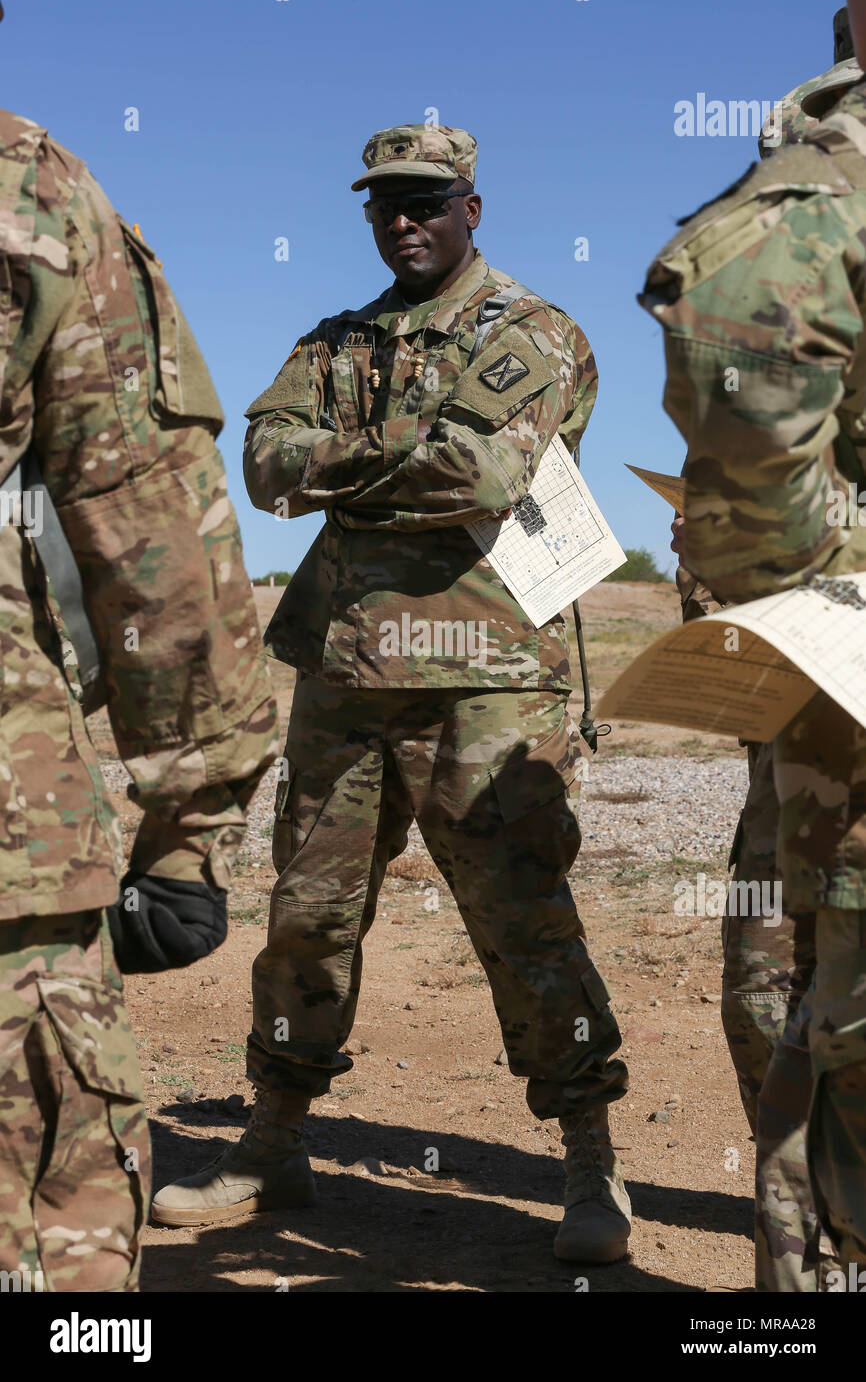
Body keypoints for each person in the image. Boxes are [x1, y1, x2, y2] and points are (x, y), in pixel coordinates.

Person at [153, 122, 631, 1263]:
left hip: (488, 685)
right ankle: (272, 1144)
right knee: (304, 926)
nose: (401, 219)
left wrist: (342, 467)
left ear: (474, 206)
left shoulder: (533, 330)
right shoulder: (336, 338)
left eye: (424, 199)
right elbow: (265, 459)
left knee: (523, 926)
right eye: (381, 203)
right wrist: (388, 458)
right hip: (346, 675)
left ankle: (588, 1166)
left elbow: (486, 468)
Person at [0, 0, 279, 1291]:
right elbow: (149, 520)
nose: (404, 217)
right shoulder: (31, 189)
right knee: (51, 1229)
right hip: (14, 837)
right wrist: (189, 827)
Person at [640, 0, 866, 1287]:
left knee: (808, 1020)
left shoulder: (830, 164)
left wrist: (794, 572)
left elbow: (739, 306)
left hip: (838, 712)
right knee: (769, 978)